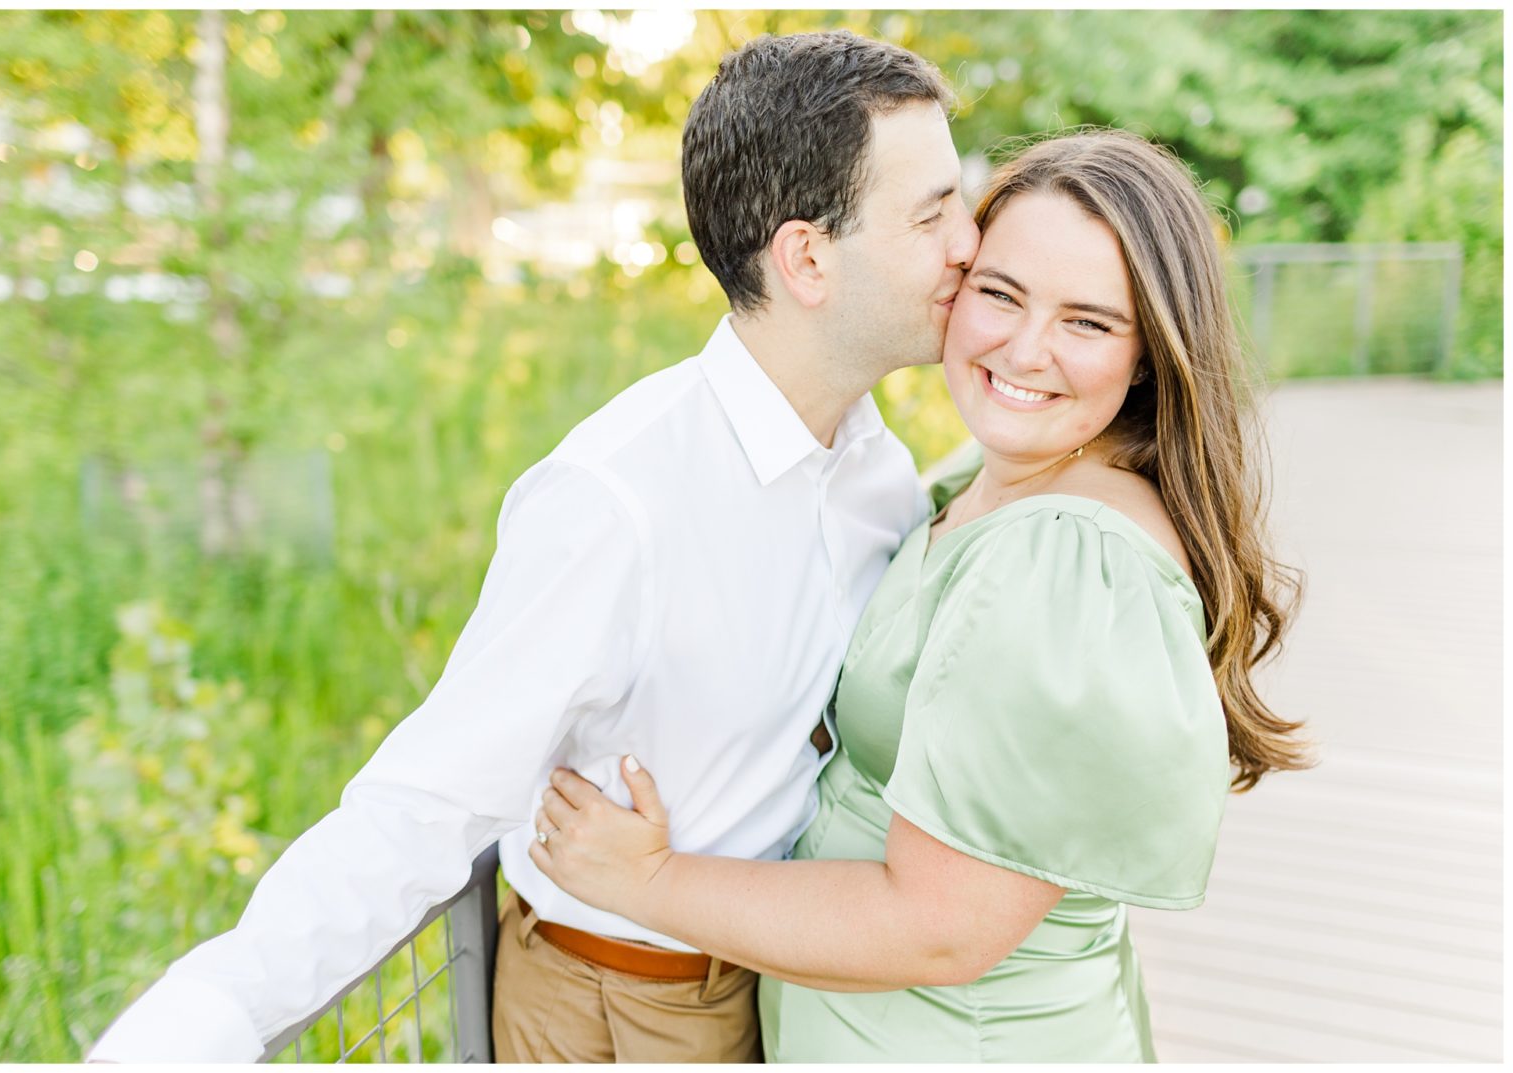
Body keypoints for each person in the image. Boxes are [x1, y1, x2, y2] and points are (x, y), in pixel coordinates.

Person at [87, 31, 980, 1063]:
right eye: (932, 212)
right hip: (612, 1007)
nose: (970, 241)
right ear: (806, 257)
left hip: (783, 987)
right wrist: (212, 1014)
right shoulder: (616, 500)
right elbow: (426, 803)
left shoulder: (875, 467)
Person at [529, 128, 1312, 1062]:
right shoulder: (1006, 494)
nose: (1026, 349)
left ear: (1149, 354)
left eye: (1088, 322)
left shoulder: (1064, 559)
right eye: (1001, 293)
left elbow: (940, 926)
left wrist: (648, 880)